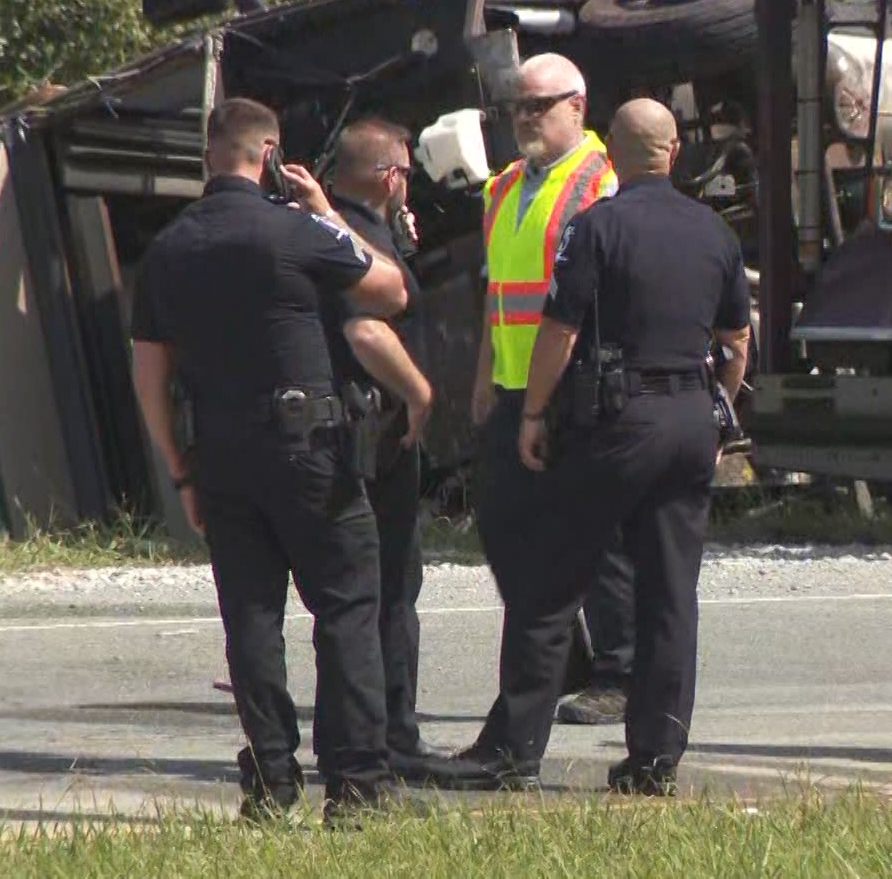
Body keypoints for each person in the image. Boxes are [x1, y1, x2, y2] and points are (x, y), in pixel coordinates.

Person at [128, 97, 412, 823]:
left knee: (252, 618)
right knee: (346, 606)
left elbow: (149, 376)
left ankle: (273, 780)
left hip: (221, 456)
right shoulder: (297, 230)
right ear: (270, 157)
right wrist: (325, 209)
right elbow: (391, 290)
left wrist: (180, 469)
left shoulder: (168, 250)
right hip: (309, 446)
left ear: (208, 158)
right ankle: (357, 785)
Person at [467, 96, 752, 794]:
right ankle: (655, 759)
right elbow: (737, 342)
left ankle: (512, 752)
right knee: (670, 594)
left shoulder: (597, 226)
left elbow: (560, 333)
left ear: (615, 155)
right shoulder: (715, 232)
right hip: (689, 417)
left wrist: (534, 413)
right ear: (674, 152)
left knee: (551, 582)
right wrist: (718, 413)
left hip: (616, 421)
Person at [458, 53, 633, 784]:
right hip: (511, 383)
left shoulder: (600, 182)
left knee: (596, 540)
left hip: (571, 388)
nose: (525, 118)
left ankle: (619, 671)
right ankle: (565, 661)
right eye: (516, 107)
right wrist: (484, 376)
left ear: (577, 106)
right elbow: (498, 289)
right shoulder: (503, 187)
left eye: (539, 105)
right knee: (507, 535)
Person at [316, 116, 485, 785]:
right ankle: (394, 738)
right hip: (379, 433)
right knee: (389, 591)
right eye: (407, 174)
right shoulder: (354, 237)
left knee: (356, 591)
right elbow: (366, 326)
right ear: (391, 177)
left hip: (346, 431)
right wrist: (418, 393)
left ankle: (357, 734)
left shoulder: (331, 229)